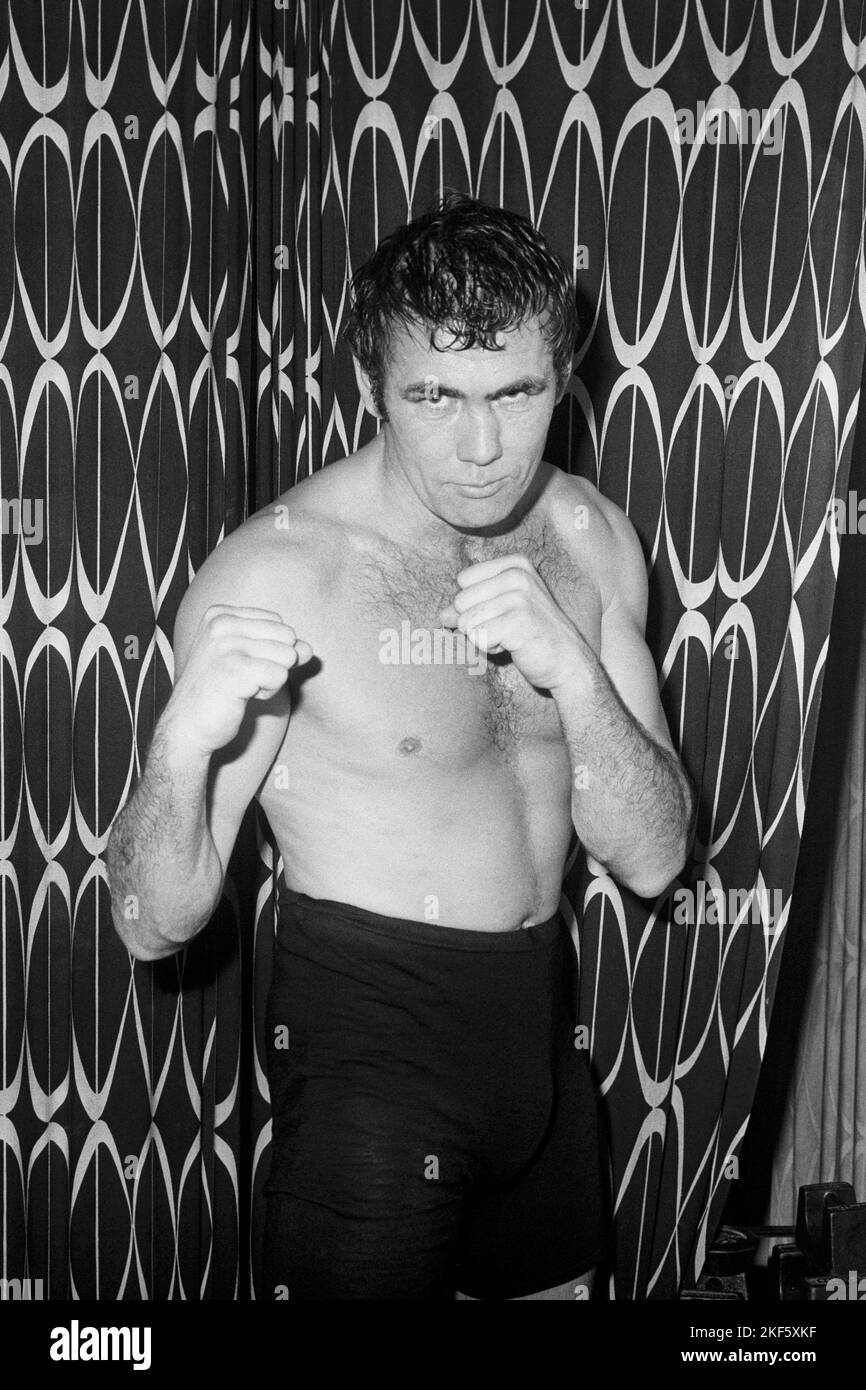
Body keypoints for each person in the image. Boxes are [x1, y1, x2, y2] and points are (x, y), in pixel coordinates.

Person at [107, 194, 694, 1301]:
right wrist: (178, 750)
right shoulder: (282, 573)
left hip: (543, 1060)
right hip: (370, 1060)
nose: (481, 448)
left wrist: (572, 670)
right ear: (371, 386)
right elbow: (153, 926)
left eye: (515, 393)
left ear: (560, 378)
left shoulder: (588, 537)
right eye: (434, 396)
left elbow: (655, 858)